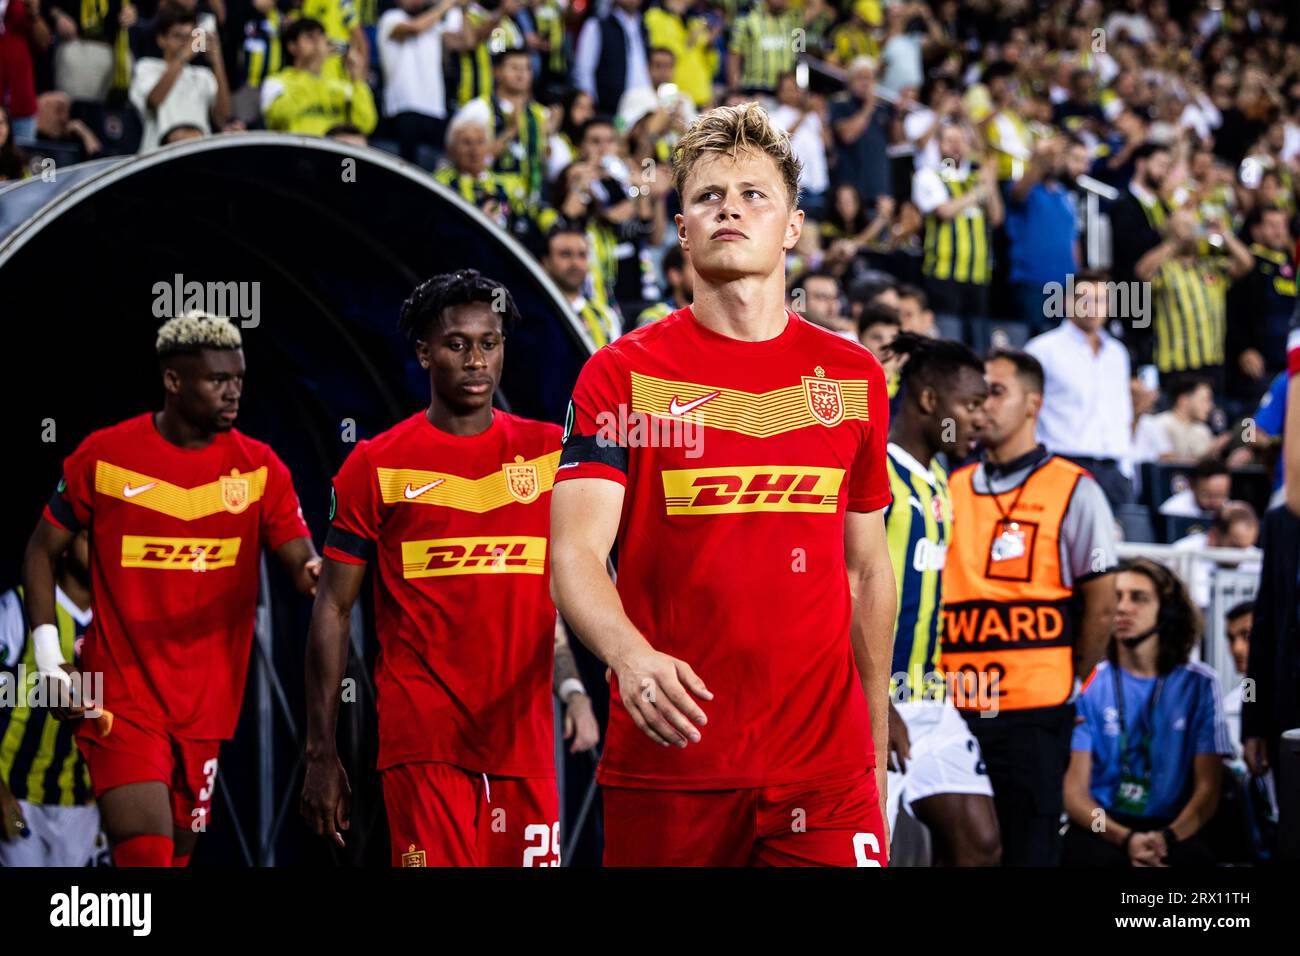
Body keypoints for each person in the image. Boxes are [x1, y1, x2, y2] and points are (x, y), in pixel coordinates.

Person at [550, 103, 896, 867]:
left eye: (753, 194)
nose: (730, 208)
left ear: (794, 228)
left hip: (826, 777)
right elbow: (574, 556)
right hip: (671, 772)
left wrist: (872, 746)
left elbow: (867, 569)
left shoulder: (855, 376)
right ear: (681, 231)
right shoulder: (620, 376)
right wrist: (630, 658)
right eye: (708, 196)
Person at [22, 312, 320, 867]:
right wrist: (50, 658)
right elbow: (42, 549)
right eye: (216, 380)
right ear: (173, 380)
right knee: (147, 853)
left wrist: (317, 572)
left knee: (176, 857)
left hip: (206, 709)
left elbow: (300, 557)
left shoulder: (260, 468)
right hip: (120, 697)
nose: (233, 392)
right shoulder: (105, 455)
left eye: (238, 378)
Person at [300, 270, 565, 867]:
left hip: (525, 743)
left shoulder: (551, 454)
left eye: (489, 343)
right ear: (424, 353)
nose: (476, 360)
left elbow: (598, 571)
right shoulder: (376, 464)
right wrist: (321, 753)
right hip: (424, 742)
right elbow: (333, 607)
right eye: (457, 344)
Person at [942, 348, 1118, 866]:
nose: (982, 405)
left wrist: (1068, 680)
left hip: (1034, 710)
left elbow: (1102, 606)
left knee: (1031, 851)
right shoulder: (949, 487)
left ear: (1032, 404)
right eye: (977, 394)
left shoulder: (1074, 488)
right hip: (952, 708)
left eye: (996, 392)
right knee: (960, 852)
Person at [880, 333, 999, 865]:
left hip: (929, 694)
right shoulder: (874, 474)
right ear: (929, 400)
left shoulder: (939, 478)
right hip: (870, 696)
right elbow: (838, 588)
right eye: (971, 405)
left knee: (979, 842)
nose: (981, 420)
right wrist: (873, 704)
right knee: (863, 851)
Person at [1062, 559, 1231, 867]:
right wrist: (1125, 839)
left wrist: (1165, 840)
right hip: (1103, 827)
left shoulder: (1201, 684)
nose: (1122, 608)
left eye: (1138, 598)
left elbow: (1208, 791)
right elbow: (1074, 794)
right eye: (1116, 597)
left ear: (1166, 610)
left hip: (1175, 829)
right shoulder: (1087, 682)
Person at [0, 531, 103, 867]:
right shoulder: (16, 607)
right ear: (61, 546)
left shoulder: (117, 623)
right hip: (18, 801)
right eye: (89, 537)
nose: (100, 546)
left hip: (81, 807)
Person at [1024, 270, 1135, 508]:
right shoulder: (1042, 350)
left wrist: (1126, 468)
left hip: (1113, 472)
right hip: (1062, 464)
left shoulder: (1118, 353)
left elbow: (1121, 413)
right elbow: (1026, 413)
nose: (1094, 307)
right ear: (1067, 302)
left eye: (1102, 300)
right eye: (1086, 299)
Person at [1134, 207, 1254, 388]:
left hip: (1211, 363)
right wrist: (1174, 242)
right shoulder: (1165, 269)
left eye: (1192, 225)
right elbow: (1142, 272)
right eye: (1183, 226)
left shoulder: (1212, 267)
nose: (1189, 230)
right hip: (1176, 365)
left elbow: (1246, 263)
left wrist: (1224, 233)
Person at [912, 123, 1002, 335]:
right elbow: (944, 211)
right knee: (948, 338)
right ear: (939, 145)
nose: (957, 147)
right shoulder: (928, 175)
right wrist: (980, 191)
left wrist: (991, 186)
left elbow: (996, 217)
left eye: (961, 141)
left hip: (978, 274)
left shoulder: (976, 179)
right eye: (950, 141)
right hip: (943, 273)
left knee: (977, 341)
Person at [453, 48, 551, 204]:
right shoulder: (478, 109)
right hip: (488, 197)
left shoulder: (540, 114)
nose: (521, 74)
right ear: (497, 72)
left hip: (528, 203)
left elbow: (547, 167)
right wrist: (511, 130)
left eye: (527, 68)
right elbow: (464, 158)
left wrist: (549, 137)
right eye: (514, 68)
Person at [128, 6, 230, 153]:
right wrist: (184, 55)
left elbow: (222, 118)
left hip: (199, 157)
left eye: (189, 37)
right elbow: (153, 102)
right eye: (178, 36)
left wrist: (217, 61)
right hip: (155, 156)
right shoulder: (147, 67)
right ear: (161, 39)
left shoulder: (202, 75)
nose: (185, 43)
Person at [376, 0, 464, 166]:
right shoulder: (391, 18)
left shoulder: (434, 23)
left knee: (433, 170)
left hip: (435, 109)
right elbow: (415, 28)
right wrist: (447, 5)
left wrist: (463, 9)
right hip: (403, 107)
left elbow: (465, 42)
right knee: (407, 170)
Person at [1226, 206, 1297, 405]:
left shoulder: (1291, 264)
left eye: (1282, 225)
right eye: (1272, 225)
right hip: (1260, 365)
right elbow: (1233, 312)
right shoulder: (1247, 264)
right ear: (1256, 230)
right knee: (1255, 426)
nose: (1279, 231)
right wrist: (1243, 348)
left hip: (1289, 360)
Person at [261, 18, 377, 137]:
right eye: (309, 37)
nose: (318, 42)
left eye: (321, 36)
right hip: (295, 152)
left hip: (333, 153)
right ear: (292, 46)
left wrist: (357, 79)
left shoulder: (339, 86)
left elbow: (365, 125)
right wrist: (311, 71)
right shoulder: (276, 82)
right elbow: (277, 119)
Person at [542, 222, 622, 347]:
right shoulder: (534, 313)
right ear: (546, 262)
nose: (575, 263)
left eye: (582, 255)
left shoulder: (605, 315)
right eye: (565, 254)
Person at [830, 58, 893, 211]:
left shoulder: (883, 109)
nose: (866, 83)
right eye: (861, 77)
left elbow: (897, 142)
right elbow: (847, 136)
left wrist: (901, 115)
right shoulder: (840, 104)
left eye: (870, 78)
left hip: (879, 193)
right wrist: (868, 108)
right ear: (850, 81)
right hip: (851, 194)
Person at [573, 0, 651, 114]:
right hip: (609, 112)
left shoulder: (645, 28)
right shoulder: (597, 25)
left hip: (643, 109)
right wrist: (591, 108)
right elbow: (584, 73)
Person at [1131, 374, 1219, 464]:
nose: (1211, 406)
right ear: (1183, 400)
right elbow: (1167, 462)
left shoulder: (1203, 430)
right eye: (1205, 400)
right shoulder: (1159, 424)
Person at [726, 0, 799, 96]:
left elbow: (799, 52)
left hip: (784, 94)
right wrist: (735, 92)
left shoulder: (792, 20)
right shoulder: (746, 19)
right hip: (754, 90)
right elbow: (734, 56)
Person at [1158, 457, 1231, 518]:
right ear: (1192, 486)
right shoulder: (1172, 511)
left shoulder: (1231, 512)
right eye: (1208, 495)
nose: (1215, 502)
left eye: (1221, 495)